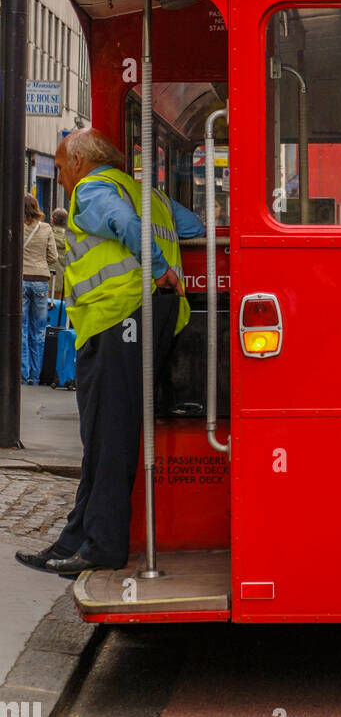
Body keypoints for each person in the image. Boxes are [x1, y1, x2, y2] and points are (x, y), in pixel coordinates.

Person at [15, 128, 203, 577]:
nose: (60, 179)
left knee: (110, 437)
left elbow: (127, 228)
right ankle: (75, 538)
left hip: (121, 317)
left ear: (79, 161)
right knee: (102, 435)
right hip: (149, 317)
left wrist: (158, 271)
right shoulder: (145, 192)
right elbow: (194, 226)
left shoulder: (94, 189)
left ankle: (103, 546)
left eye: (59, 168)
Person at [21, 194, 59, 385]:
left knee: (21, 327)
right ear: (36, 207)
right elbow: (53, 256)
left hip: (20, 280)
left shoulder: (16, 225)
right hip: (41, 281)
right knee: (38, 330)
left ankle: (23, 374)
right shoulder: (45, 228)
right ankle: (36, 376)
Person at [50, 207, 68, 299]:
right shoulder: (70, 239)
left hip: (48, 281)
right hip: (64, 283)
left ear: (52, 220)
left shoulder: (47, 235)